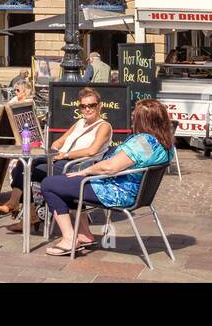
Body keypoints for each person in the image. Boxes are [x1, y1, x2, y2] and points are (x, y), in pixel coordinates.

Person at [39, 98, 174, 256]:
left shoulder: (142, 142)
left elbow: (110, 167)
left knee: (49, 184)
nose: (131, 118)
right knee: (67, 184)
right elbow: (139, 159)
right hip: (137, 193)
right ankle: (84, 235)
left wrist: (86, 171)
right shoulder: (163, 144)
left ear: (143, 120)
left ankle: (69, 239)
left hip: (115, 192)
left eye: (134, 115)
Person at [0, 86, 113, 220]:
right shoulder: (80, 122)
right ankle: (24, 209)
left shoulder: (104, 126)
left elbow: (92, 150)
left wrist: (65, 155)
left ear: (99, 106)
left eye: (91, 105)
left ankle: (19, 206)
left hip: (76, 165)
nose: (87, 109)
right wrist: (56, 148)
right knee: (24, 164)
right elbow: (59, 142)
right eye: (83, 106)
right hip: (61, 160)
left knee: (24, 170)